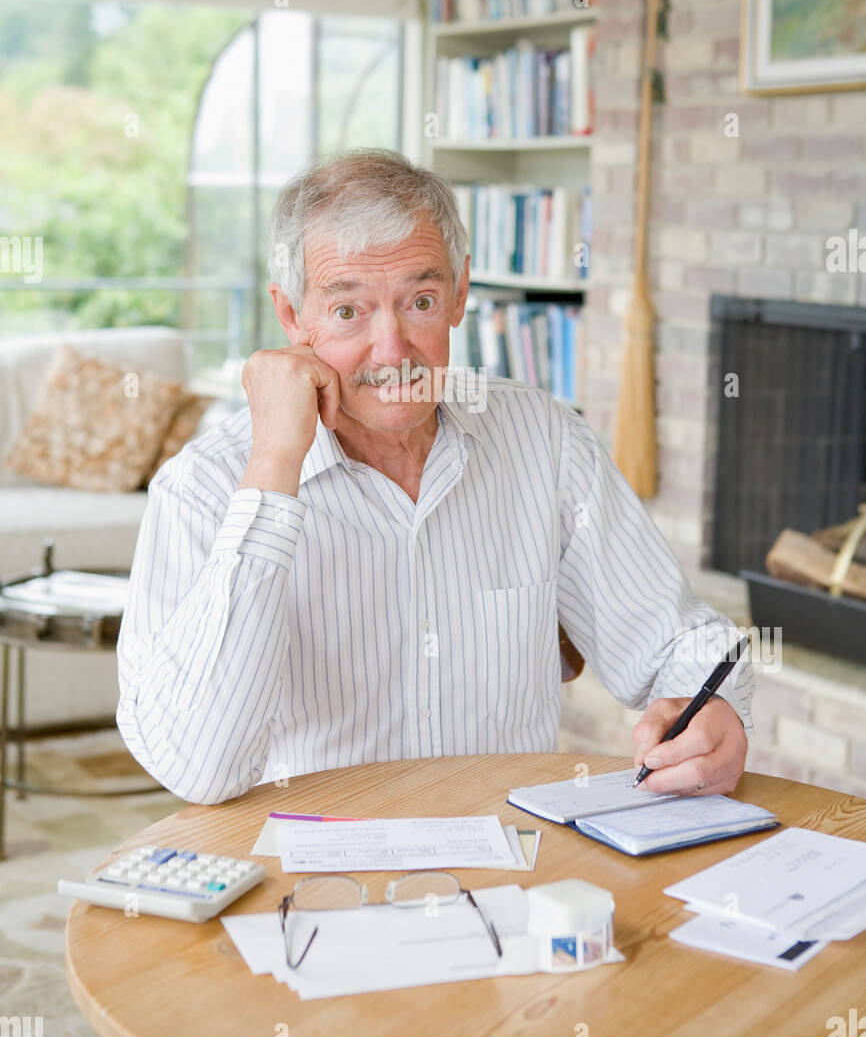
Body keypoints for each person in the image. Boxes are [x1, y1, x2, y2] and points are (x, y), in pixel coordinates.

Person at [116, 148, 753, 804]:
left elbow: (681, 639)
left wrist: (717, 710)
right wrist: (275, 464)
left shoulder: (544, 440)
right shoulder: (203, 487)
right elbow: (196, 769)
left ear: (459, 294)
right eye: (348, 311)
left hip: (511, 868)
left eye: (419, 300)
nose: (392, 350)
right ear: (289, 316)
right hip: (305, 883)